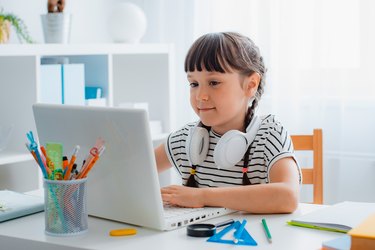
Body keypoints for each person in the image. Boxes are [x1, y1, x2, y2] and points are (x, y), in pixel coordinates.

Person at [154, 32, 301, 213]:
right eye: (194, 84)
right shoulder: (186, 138)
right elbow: (133, 169)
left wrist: (201, 196)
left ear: (251, 85)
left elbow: (288, 197)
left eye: (214, 82)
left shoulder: (270, 135)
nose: (200, 95)